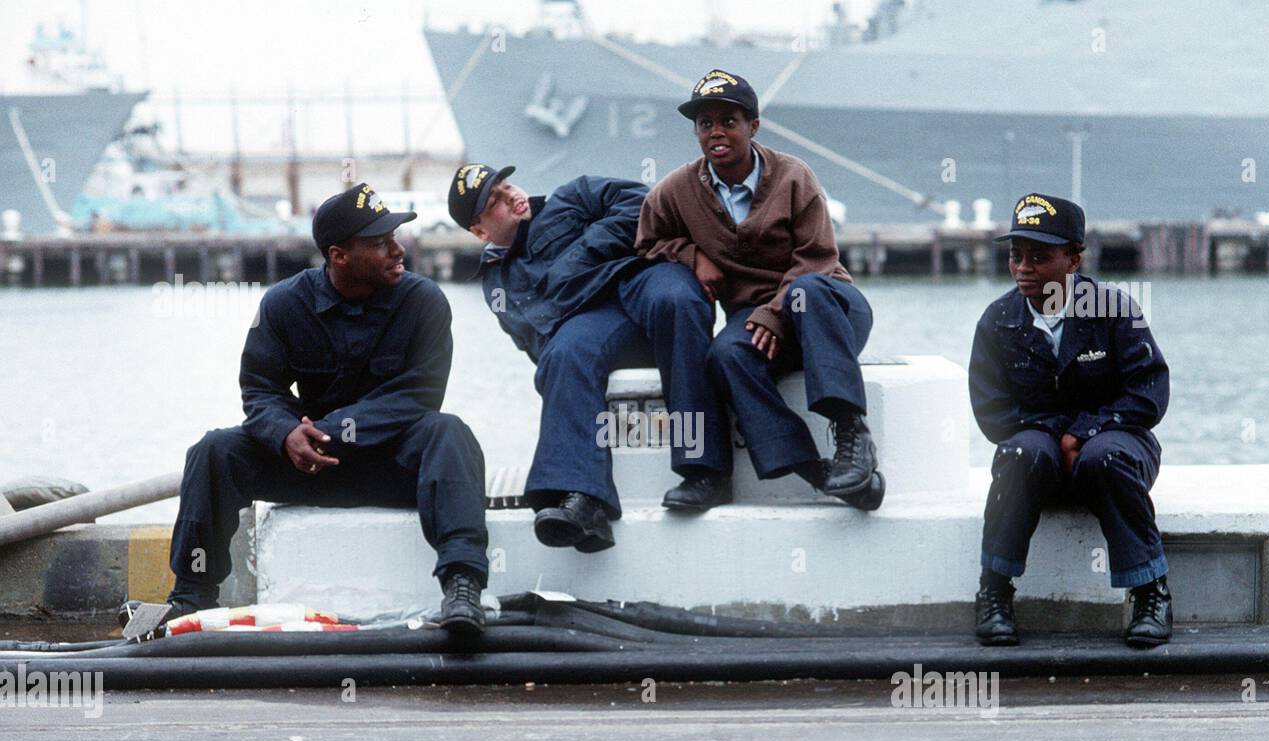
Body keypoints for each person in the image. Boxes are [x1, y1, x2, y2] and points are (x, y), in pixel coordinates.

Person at [165, 183, 491, 636]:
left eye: (394, 238)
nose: (399, 250)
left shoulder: (423, 302)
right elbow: (260, 389)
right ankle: (191, 597)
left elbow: (420, 394)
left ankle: (462, 587)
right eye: (381, 244)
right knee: (213, 450)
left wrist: (329, 430)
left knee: (448, 433)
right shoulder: (284, 304)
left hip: (392, 465)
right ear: (339, 255)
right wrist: (284, 434)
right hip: (309, 466)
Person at [449, 162, 730, 553]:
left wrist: (582, 254)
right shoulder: (500, 282)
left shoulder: (574, 195)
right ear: (479, 231)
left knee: (677, 301)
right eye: (494, 201)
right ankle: (583, 501)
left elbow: (645, 205)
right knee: (563, 356)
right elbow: (537, 340)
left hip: (642, 277)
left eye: (506, 185)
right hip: (596, 321)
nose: (510, 195)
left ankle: (703, 470)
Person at [636, 69, 885, 509]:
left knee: (807, 290)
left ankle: (852, 435)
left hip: (826, 310)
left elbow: (818, 257)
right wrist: (693, 256)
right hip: (758, 324)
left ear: (753, 126)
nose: (716, 132)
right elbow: (648, 242)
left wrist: (774, 309)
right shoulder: (676, 190)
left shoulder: (793, 176)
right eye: (705, 123)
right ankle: (820, 472)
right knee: (725, 355)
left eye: (728, 121)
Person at [968, 193, 1173, 649]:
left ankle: (1150, 594)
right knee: (1022, 452)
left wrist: (1084, 432)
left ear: (1074, 260)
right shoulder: (997, 320)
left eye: (1039, 257)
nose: (1023, 267)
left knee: (1109, 456)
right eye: (1016, 256)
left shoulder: (1115, 310)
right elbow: (992, 413)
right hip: (1042, 453)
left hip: (1115, 445)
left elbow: (1149, 395)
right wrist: (1053, 435)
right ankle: (995, 592)